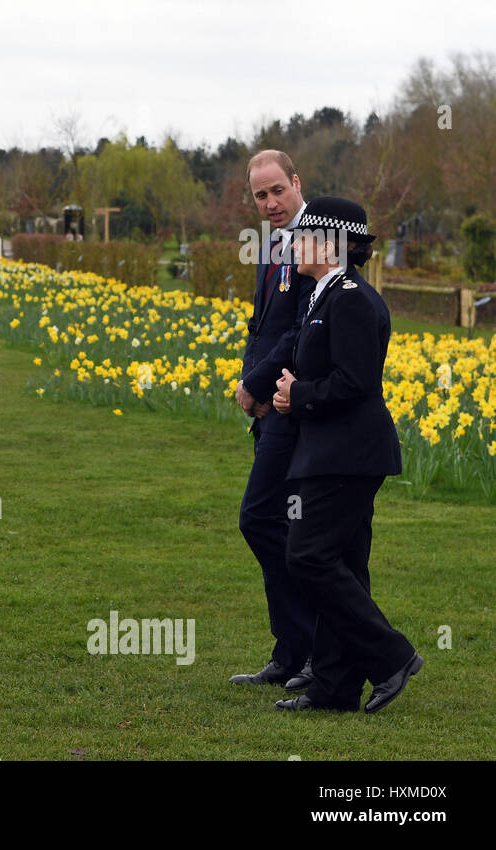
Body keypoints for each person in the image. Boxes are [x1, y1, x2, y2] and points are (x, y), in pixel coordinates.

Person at [270, 196, 423, 713]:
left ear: (331, 245)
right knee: (345, 566)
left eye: (303, 237)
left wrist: (299, 396)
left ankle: (393, 655)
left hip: (349, 455)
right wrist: (294, 393)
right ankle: (335, 688)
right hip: (335, 451)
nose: (293, 245)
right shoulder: (327, 294)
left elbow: (356, 383)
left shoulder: (353, 299)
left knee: (307, 557)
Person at [229, 150, 318, 691]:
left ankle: (311, 647)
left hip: (292, 405)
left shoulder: (317, 241)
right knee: (277, 525)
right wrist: (247, 385)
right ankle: (290, 653)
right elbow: (260, 325)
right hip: (266, 406)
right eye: (260, 195)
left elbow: (301, 330)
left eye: (277, 190)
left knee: (261, 519)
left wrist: (260, 385)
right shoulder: (268, 244)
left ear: (296, 182)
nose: (270, 203)